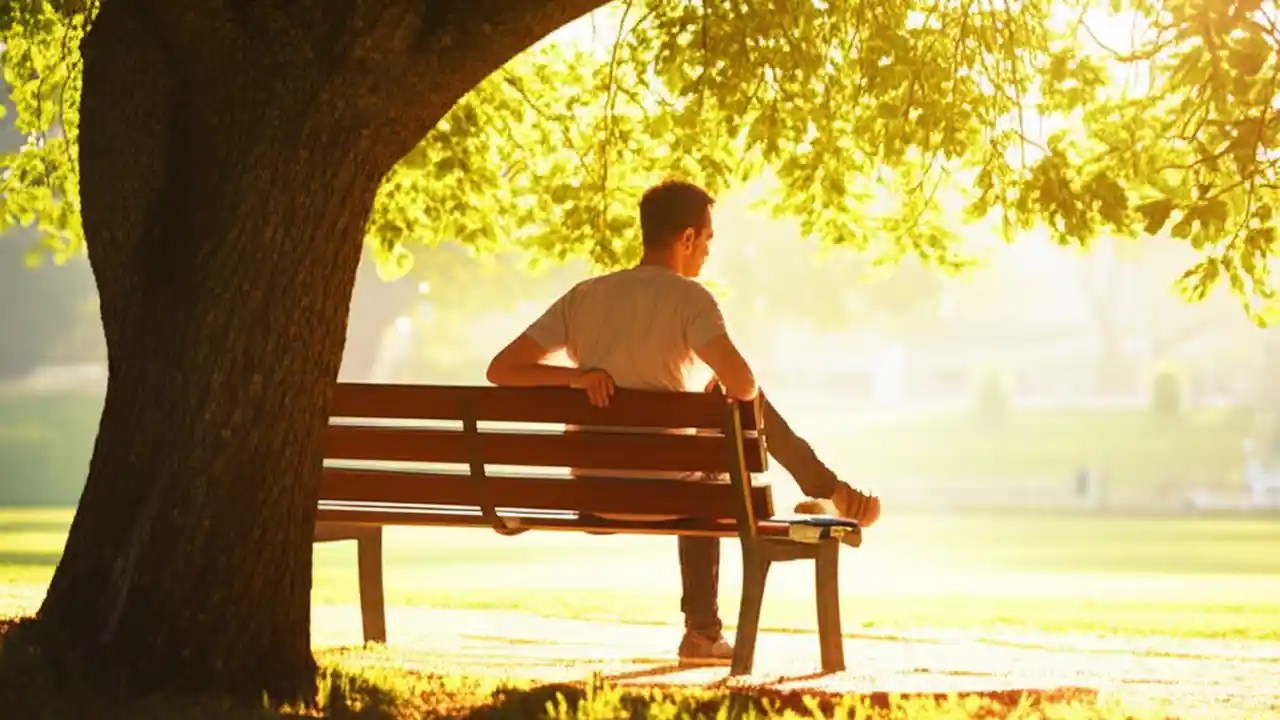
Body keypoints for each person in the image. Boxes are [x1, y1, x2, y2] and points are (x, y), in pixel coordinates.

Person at [486, 179, 880, 665]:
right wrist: (708, 384)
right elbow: (745, 386)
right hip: (672, 496)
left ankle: (827, 487)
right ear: (687, 238)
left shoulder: (584, 297)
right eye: (708, 239)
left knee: (704, 430)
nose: (709, 252)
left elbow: (501, 369)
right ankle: (704, 629)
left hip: (593, 495)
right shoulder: (690, 300)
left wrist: (576, 379)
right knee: (717, 442)